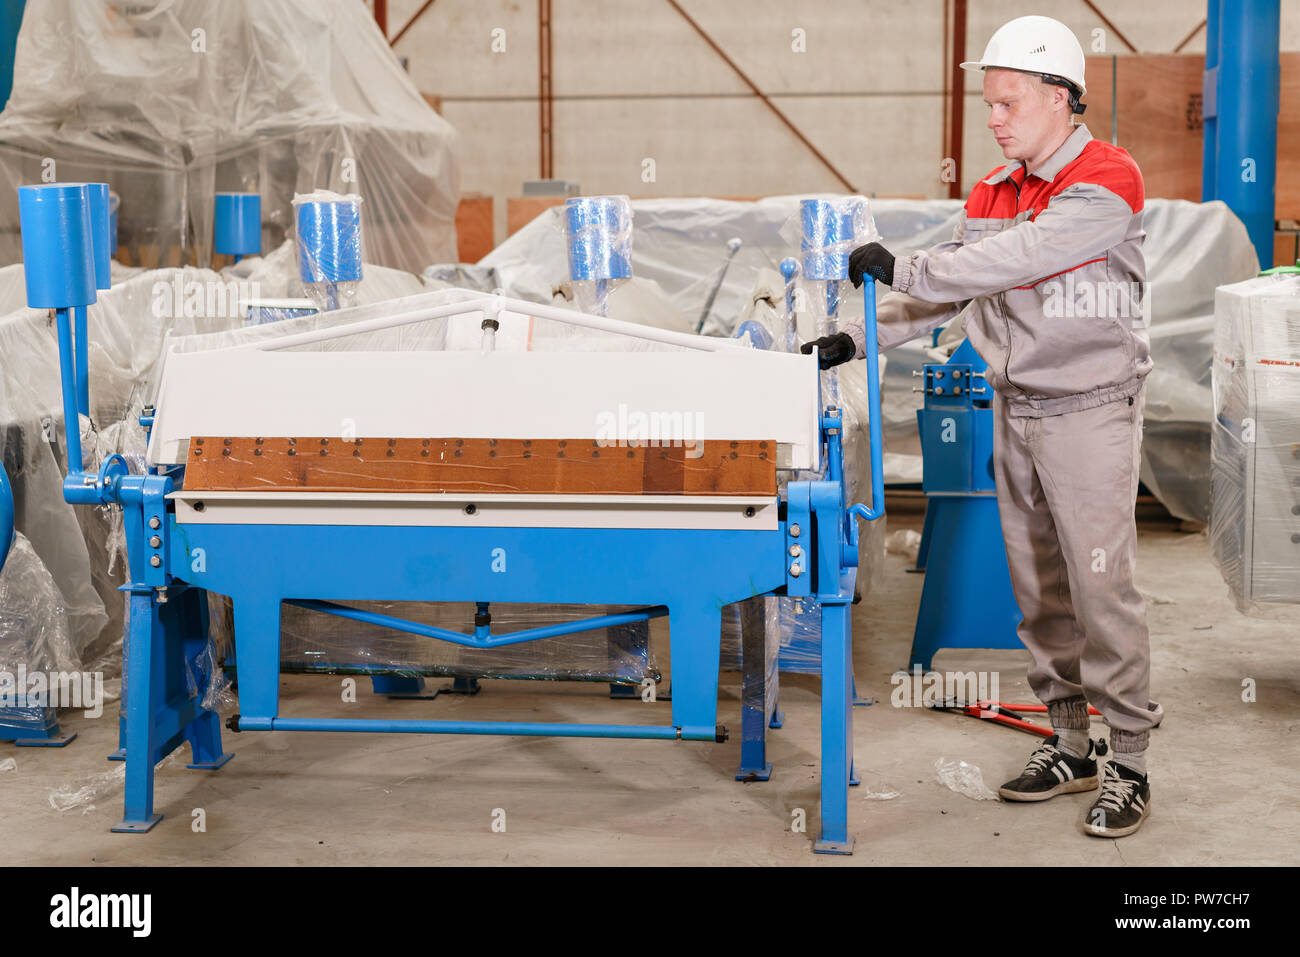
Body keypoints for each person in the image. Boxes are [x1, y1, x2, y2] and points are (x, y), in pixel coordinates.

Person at [804, 15, 1159, 838]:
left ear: (1061, 98)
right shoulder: (995, 191)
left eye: (1007, 103)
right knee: (1039, 595)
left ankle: (1131, 758)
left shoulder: (1106, 180)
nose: (993, 120)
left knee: (1101, 588)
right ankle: (1070, 743)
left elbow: (1014, 260)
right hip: (1020, 408)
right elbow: (944, 295)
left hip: (1092, 409)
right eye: (989, 105)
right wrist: (852, 337)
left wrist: (909, 261)